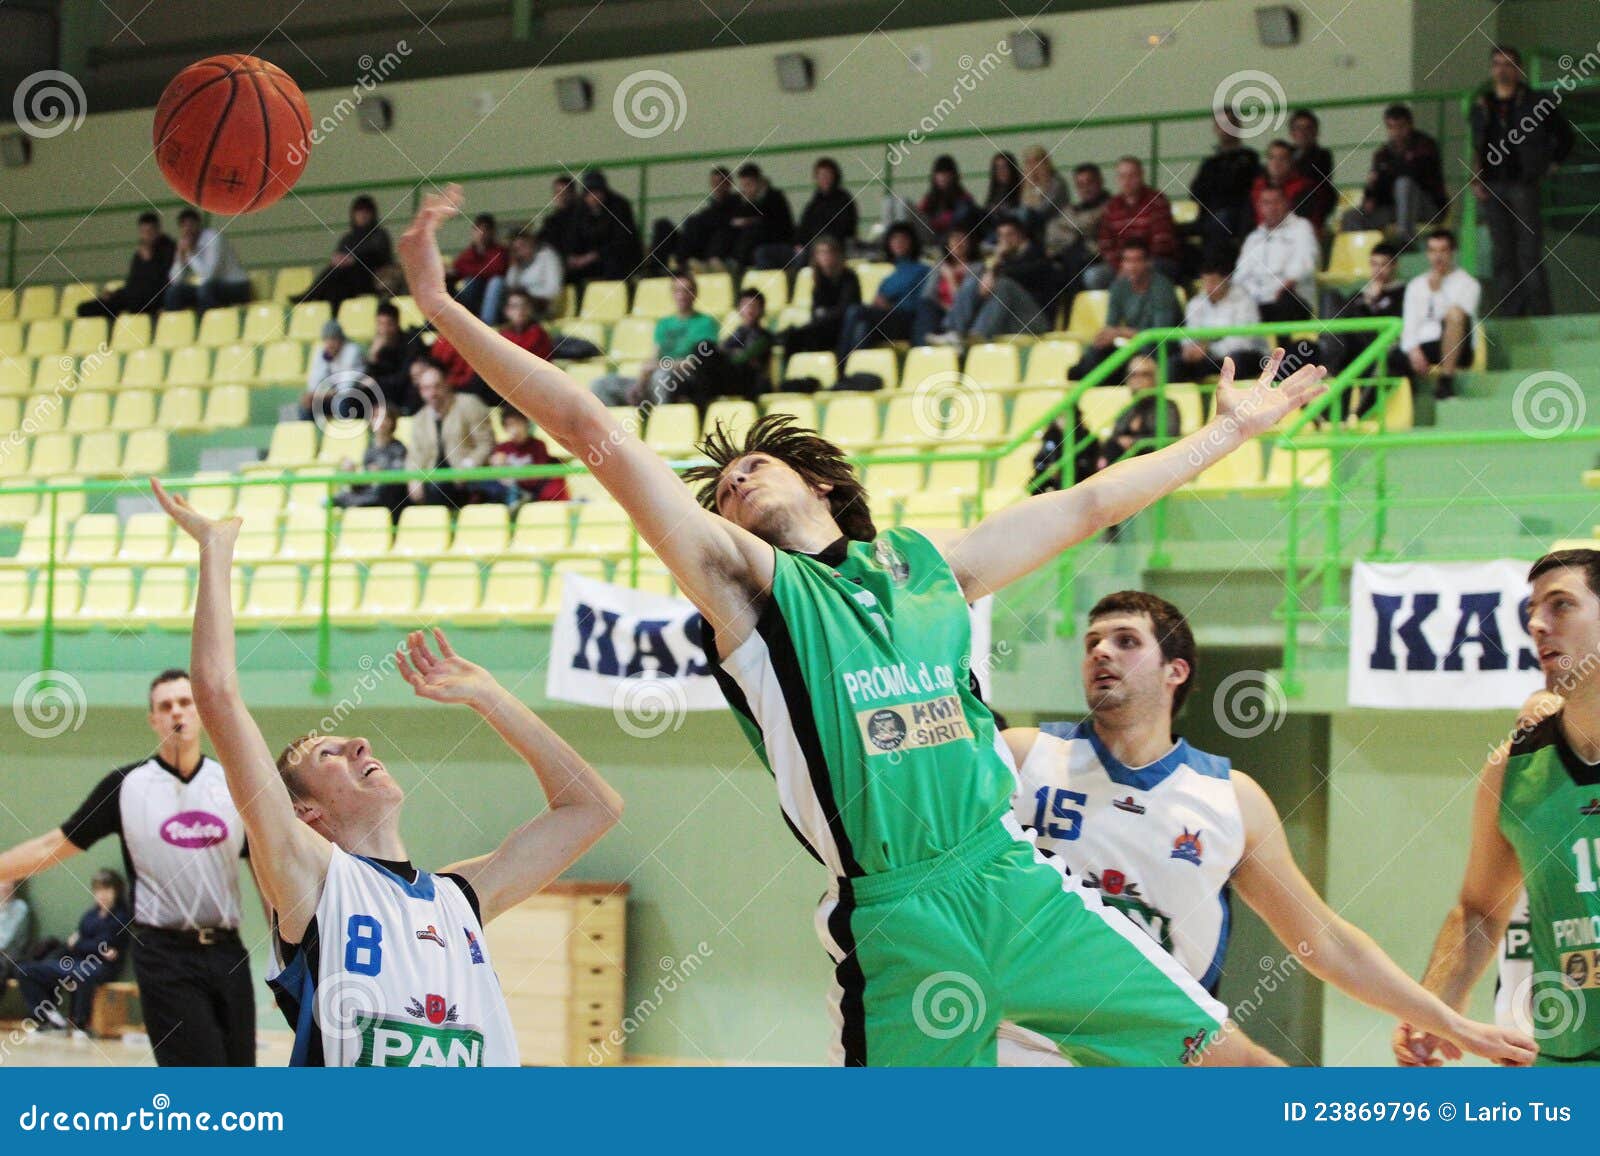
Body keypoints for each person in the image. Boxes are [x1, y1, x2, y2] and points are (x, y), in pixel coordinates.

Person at [396, 184, 1332, 1066]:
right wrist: (443, 308)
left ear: (824, 482)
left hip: (1011, 876)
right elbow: (587, 424)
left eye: (754, 466)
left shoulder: (931, 569)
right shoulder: (753, 594)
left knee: (1232, 1066)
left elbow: (1087, 503)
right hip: (900, 920)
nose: (735, 480)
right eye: (722, 487)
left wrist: (1227, 434)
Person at [150, 479, 622, 1067]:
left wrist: (491, 697)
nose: (357, 741)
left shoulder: (459, 899)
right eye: (327, 754)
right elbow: (217, 693)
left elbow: (592, 809)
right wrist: (215, 550)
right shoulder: (313, 882)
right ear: (305, 813)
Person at [993, 592, 1536, 1068]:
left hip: (1164, 1053)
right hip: (1024, 1043)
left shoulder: (1232, 799)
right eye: (1091, 642)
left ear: (1175, 671)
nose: (1100, 652)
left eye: (1125, 640)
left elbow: (1326, 943)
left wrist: (1452, 1024)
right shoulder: (1023, 756)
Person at [1396, 549, 1600, 1067]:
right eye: (1533, 610)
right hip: (1565, 1067)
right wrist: (1437, 1006)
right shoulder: (1516, 764)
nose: (1537, 623)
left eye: (1561, 606)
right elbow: (1481, 910)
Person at [0, 670, 259, 1066]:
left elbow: (268, 866)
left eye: (186, 702)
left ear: (203, 712)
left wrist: (288, 953)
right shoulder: (126, 786)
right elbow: (55, 844)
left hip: (228, 952)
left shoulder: (234, 783)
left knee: (240, 1077)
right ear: (153, 719)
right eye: (165, 705)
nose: (177, 712)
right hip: (163, 954)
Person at [1470, 44, 1575, 318]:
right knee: (1502, 255)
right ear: (1491, 69)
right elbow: (1478, 145)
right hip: (1493, 185)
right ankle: (1511, 316)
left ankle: (1541, 314)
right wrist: (1476, 178)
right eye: (1497, 64)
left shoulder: (1536, 101)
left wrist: (1551, 164)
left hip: (1523, 184)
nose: (1502, 69)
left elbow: (1565, 136)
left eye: (1508, 64)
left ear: (1519, 70)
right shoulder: (1482, 105)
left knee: (1529, 253)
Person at [13, 869, 130, 1034]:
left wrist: (79, 943)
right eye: (98, 890)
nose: (102, 895)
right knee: (26, 970)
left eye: (107, 890)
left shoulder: (122, 917)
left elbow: (99, 945)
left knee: (83, 973)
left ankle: (80, 1024)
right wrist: (85, 945)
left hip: (102, 967)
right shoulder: (90, 915)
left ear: (116, 891)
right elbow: (86, 945)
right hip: (73, 962)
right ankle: (49, 1018)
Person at [592, 273, 721, 409]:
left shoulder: (706, 322)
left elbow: (696, 362)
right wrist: (640, 384)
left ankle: (664, 421)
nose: (681, 295)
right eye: (677, 291)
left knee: (662, 376)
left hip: (684, 381)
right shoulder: (664, 323)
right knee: (602, 384)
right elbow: (653, 357)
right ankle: (614, 427)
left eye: (686, 290)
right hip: (654, 379)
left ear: (694, 293)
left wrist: (662, 366)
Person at [1317, 241, 1409, 416]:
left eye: (1384, 265)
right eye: (1374, 264)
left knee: (1346, 342)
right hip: (1351, 349)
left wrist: (1371, 304)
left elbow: (1394, 327)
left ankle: (1330, 364)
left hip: (1378, 347)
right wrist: (1365, 300)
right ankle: (1330, 359)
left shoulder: (1402, 294)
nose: (1378, 270)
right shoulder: (1358, 295)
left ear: (1394, 266)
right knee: (1330, 297)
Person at [931, 215, 1055, 343]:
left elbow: (1014, 274)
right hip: (1008, 320)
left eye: (1010, 235)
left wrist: (997, 257)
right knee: (976, 279)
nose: (1005, 240)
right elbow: (986, 284)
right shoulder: (1007, 259)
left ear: (1021, 236)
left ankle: (978, 334)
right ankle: (955, 332)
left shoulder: (1038, 256)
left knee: (1003, 284)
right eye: (1001, 236)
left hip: (1033, 321)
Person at [1071, 240, 1182, 381]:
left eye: (1137, 261)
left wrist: (1120, 332)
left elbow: (1160, 336)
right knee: (1098, 350)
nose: (1132, 266)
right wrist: (1105, 337)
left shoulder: (1163, 288)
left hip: (1162, 351)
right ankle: (1081, 377)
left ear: (1148, 263)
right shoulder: (1118, 286)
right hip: (1133, 346)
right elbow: (1111, 325)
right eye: (1127, 261)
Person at [1341, 105, 1447, 242]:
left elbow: (1416, 175)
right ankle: (1369, 254)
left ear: (1410, 125)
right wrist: (1371, 196)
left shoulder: (1425, 146)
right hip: (1393, 207)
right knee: (1351, 216)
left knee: (1404, 185)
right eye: (1391, 127)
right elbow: (1375, 182)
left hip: (1428, 207)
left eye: (1401, 126)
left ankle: (1406, 241)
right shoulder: (1382, 154)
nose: (1396, 132)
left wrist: (1388, 172)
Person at [1401, 229, 1479, 403]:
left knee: (1454, 314)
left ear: (1452, 253)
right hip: (1424, 346)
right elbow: (1409, 324)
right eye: (1433, 250)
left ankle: (1446, 381)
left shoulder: (1469, 284)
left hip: (1460, 348)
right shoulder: (1415, 285)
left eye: (1443, 250)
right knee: (1392, 357)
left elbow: (1456, 320)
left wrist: (1437, 292)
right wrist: (1413, 350)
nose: (1438, 257)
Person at [405, 361, 497, 508]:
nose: (432, 393)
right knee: (392, 491)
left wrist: (468, 465)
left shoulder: (470, 405)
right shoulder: (419, 418)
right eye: (427, 388)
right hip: (432, 479)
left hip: (468, 478)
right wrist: (413, 479)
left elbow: (486, 443)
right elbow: (414, 456)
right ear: (421, 391)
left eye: (437, 386)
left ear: (447, 384)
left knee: (439, 488)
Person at [835, 223, 929, 362]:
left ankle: (840, 364)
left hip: (906, 321)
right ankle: (856, 370)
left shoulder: (922, 270)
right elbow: (878, 301)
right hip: (887, 320)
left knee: (855, 311)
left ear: (912, 242)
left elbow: (918, 305)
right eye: (894, 239)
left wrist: (889, 305)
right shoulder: (890, 276)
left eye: (903, 239)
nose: (898, 243)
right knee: (863, 326)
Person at [1232, 186, 1319, 323]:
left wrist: (1284, 287)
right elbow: (1240, 275)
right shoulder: (1253, 238)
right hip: (1257, 302)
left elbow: (1304, 264)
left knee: (1286, 301)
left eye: (1276, 202)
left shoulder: (1301, 228)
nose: (1272, 207)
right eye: (1267, 203)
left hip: (1290, 298)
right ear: (1259, 206)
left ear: (1286, 203)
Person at [1190, 110, 1262, 262]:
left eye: (1230, 123)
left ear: (1238, 126)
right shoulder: (1209, 163)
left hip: (1239, 216)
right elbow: (1195, 192)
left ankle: (1215, 271)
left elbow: (1248, 189)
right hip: (1210, 215)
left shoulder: (1249, 158)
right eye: (1221, 124)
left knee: (1220, 221)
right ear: (1215, 128)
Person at [299, 195, 393, 309]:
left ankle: (310, 295)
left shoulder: (380, 235)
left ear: (372, 214)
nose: (362, 215)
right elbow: (340, 256)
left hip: (369, 280)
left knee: (337, 274)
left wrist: (353, 260)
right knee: (335, 280)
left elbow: (378, 258)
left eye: (366, 212)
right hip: (347, 281)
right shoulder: (348, 238)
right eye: (359, 212)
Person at [1097, 156, 1180, 285]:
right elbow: (1105, 244)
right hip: (1121, 265)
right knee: (1094, 276)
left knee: (1157, 269)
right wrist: (1123, 266)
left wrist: (1137, 265)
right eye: (1122, 176)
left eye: (1132, 175)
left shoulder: (1157, 201)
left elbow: (1162, 242)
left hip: (1153, 262)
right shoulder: (1111, 206)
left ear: (1141, 175)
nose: (1127, 181)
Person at [1177, 259, 1265, 381]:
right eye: (1205, 282)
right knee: (1177, 364)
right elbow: (1189, 331)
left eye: (1213, 282)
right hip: (1207, 357)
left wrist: (1208, 349)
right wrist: (1189, 348)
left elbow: (1243, 341)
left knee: (1235, 362)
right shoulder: (1196, 302)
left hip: (1245, 355)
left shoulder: (1244, 301)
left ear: (1226, 279)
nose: (1209, 287)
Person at [1091, 356, 1181, 473]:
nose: (1138, 380)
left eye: (1144, 374)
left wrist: (1133, 443)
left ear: (1155, 378)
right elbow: (1115, 437)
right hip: (1127, 467)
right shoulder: (1128, 409)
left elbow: (1167, 439)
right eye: (1133, 375)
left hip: (1154, 466)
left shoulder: (1167, 407)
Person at [78, 212, 175, 319]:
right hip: (132, 296)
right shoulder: (140, 253)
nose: (147, 235)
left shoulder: (169, 249)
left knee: (133, 303)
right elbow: (132, 282)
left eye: (150, 231)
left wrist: (149, 261)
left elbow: (163, 281)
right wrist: (114, 294)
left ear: (158, 231)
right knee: (85, 308)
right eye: (144, 232)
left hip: (154, 298)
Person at [778, 236, 860, 356]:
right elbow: (815, 309)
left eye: (828, 252)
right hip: (822, 325)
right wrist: (823, 314)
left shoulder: (849, 277)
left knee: (800, 334)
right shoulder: (818, 278)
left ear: (836, 254)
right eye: (821, 253)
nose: (825, 256)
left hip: (842, 328)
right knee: (794, 336)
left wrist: (824, 313)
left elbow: (845, 309)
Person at [164, 208, 251, 313]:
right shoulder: (185, 244)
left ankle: (208, 325)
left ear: (198, 224)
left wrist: (190, 253)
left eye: (191, 225)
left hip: (237, 286)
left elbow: (209, 275)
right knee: (174, 292)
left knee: (205, 290)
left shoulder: (213, 238)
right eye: (184, 226)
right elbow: (175, 280)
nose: (188, 230)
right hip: (210, 287)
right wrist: (181, 259)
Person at [566, 170, 641, 287]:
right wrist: (573, 257)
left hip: (617, 258)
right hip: (589, 260)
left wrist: (594, 256)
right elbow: (574, 236)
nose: (594, 197)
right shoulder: (579, 210)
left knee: (613, 265)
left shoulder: (620, 206)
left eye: (598, 192)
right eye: (590, 193)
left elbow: (623, 241)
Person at [332, 407, 409, 515]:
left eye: (385, 417)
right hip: (369, 494)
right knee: (340, 497)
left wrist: (382, 473)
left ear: (392, 422)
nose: (381, 421)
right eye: (376, 417)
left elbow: (399, 480)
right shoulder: (370, 450)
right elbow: (365, 484)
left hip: (387, 498)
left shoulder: (399, 449)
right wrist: (352, 475)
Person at [912, 229, 981, 346]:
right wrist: (944, 306)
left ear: (970, 243)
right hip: (940, 312)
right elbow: (928, 295)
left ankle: (937, 341)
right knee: (924, 304)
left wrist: (950, 278)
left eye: (962, 239)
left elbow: (964, 299)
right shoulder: (940, 267)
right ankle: (923, 348)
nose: (958, 242)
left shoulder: (977, 268)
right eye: (954, 239)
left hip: (963, 315)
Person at [490, 409, 569, 506]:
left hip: (535, 495)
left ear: (526, 423)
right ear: (504, 428)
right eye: (510, 425)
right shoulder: (501, 449)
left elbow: (536, 477)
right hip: (511, 494)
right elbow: (499, 479)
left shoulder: (538, 445)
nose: (515, 430)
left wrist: (513, 473)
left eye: (518, 423)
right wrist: (497, 465)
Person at [1053, 163, 1111, 291]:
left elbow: (1088, 225)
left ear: (1100, 182)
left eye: (1089, 183)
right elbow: (1053, 231)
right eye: (1080, 185)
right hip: (1073, 255)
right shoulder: (1073, 209)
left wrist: (1070, 227)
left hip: (1099, 259)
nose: (1085, 188)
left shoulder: (1112, 205)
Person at [364, 301, 428, 415]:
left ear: (397, 323)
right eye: (380, 324)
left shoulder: (412, 341)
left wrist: (377, 382)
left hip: (405, 394)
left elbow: (403, 378)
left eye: (389, 324)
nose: (384, 330)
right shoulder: (375, 346)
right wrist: (373, 357)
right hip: (384, 393)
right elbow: (367, 379)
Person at [730, 162, 795, 270]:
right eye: (743, 186)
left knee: (758, 248)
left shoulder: (775, 197)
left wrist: (752, 222)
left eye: (748, 185)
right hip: (757, 243)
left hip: (777, 242)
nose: (745, 190)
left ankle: (738, 265)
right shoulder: (744, 201)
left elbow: (778, 226)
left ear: (758, 182)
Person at [299, 321, 368, 420]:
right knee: (306, 406)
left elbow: (345, 388)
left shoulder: (352, 351)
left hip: (357, 398)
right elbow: (314, 382)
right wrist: (312, 395)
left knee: (342, 404)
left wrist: (319, 394)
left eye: (333, 339)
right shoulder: (322, 352)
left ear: (341, 340)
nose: (330, 344)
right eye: (327, 340)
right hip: (332, 396)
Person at [452, 212, 508, 323]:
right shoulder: (468, 253)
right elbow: (456, 269)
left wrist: (470, 270)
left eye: (485, 230)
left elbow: (496, 269)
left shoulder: (500, 251)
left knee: (496, 282)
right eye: (477, 230)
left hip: (497, 299)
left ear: (492, 232)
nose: (481, 234)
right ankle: (462, 322)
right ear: (472, 232)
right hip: (474, 296)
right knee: (470, 281)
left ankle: (486, 324)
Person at [718, 288, 774, 400]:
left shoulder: (765, 336)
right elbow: (721, 351)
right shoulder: (735, 334)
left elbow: (744, 357)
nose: (750, 310)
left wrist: (732, 354)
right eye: (746, 306)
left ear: (762, 310)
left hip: (753, 383)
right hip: (733, 379)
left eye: (754, 306)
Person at [795, 157, 858, 254]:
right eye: (820, 176)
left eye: (827, 175)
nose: (824, 179)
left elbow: (846, 228)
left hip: (835, 247)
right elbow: (804, 227)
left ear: (835, 176)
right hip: (814, 248)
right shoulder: (814, 202)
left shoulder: (844, 200)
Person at [1289, 109, 1337, 233]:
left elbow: (1317, 180)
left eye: (1308, 128)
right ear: (1292, 133)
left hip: (1311, 203)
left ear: (1316, 132)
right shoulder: (1285, 154)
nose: (1303, 133)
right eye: (1299, 128)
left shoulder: (1323, 155)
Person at [1251, 139, 1316, 230]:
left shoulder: (1304, 188)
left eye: (1282, 158)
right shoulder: (1256, 187)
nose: (1276, 163)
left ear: (1291, 162)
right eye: (1272, 157)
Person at [503, 228, 564, 320]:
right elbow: (510, 285)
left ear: (531, 242)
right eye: (517, 249)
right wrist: (513, 266)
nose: (521, 251)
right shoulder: (519, 265)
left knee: (518, 302)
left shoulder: (547, 256)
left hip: (543, 303)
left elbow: (554, 290)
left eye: (523, 245)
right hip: (521, 303)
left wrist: (528, 294)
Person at [916, 154, 977, 243]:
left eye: (946, 173)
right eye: (939, 173)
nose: (942, 177)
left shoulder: (963, 198)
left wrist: (936, 222)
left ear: (953, 175)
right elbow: (920, 217)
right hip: (930, 234)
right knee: (902, 203)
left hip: (950, 237)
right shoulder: (929, 198)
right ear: (934, 176)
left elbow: (958, 223)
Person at [498, 289, 555, 361]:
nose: (520, 310)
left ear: (531, 309)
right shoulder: (502, 335)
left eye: (524, 305)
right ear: (507, 311)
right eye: (515, 306)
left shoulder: (538, 333)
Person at [981, 151, 1024, 240]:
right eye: (997, 168)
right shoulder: (995, 190)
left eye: (1004, 167)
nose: (1001, 171)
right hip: (995, 228)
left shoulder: (1022, 187)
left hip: (1014, 228)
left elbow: (1022, 212)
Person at [0, 879, 30, 985]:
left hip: (9, 958)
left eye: (8, 882)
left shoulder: (19, 907)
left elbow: (4, 943)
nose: (4, 886)